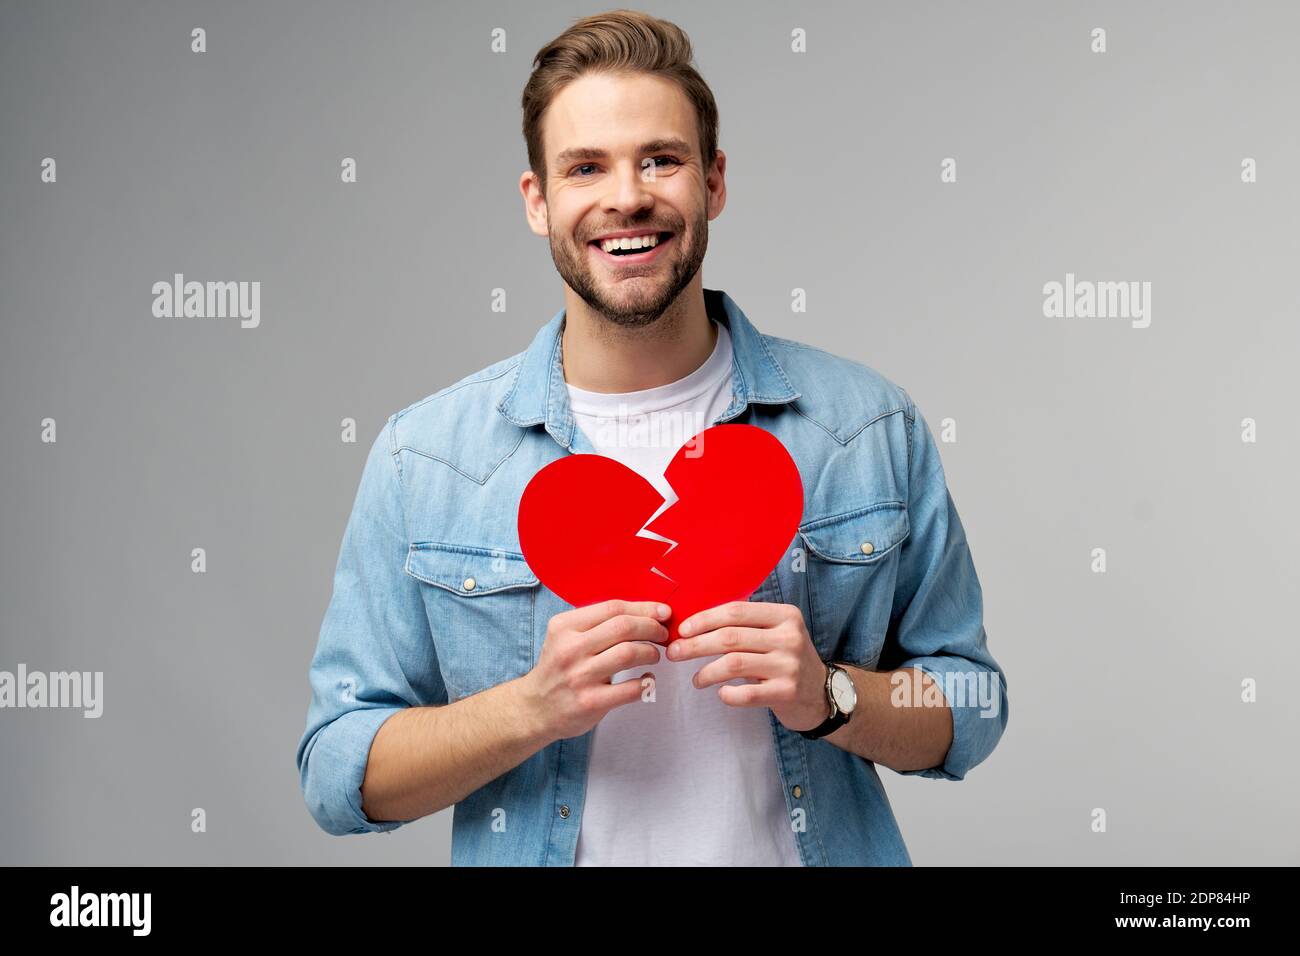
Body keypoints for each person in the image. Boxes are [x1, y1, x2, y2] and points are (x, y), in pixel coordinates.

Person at [296, 9, 1008, 866]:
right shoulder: (426, 459)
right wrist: (529, 707)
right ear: (539, 201)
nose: (626, 196)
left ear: (713, 183)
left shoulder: (865, 426)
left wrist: (829, 693)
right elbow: (337, 770)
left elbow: (973, 707)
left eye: (660, 160)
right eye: (585, 166)